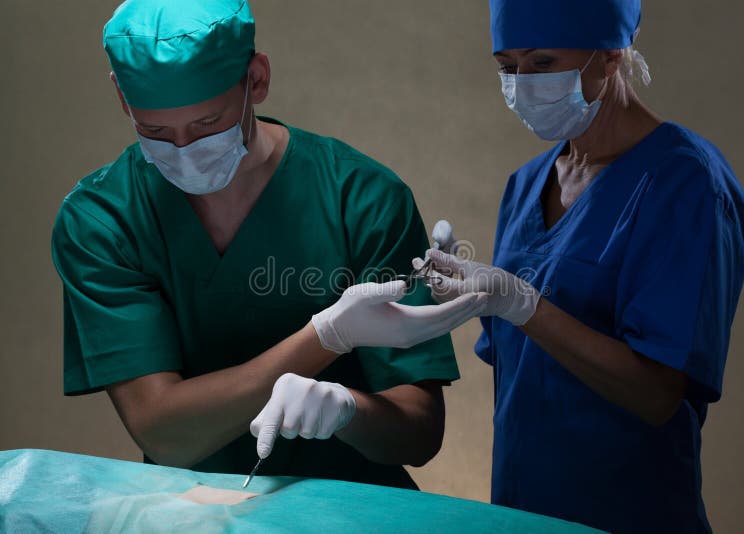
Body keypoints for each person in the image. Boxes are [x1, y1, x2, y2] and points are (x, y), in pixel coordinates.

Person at [51, 0, 487, 490]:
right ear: (122, 97)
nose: (184, 153)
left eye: (206, 124)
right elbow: (165, 434)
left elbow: (419, 433)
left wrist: (348, 411)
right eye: (155, 132)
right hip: (195, 517)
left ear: (255, 80)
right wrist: (324, 338)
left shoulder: (361, 198)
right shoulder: (103, 219)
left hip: (356, 514)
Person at [416, 0, 744, 531]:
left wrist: (521, 303)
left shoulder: (684, 183)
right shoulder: (528, 184)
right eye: (507, 68)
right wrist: (471, 298)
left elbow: (658, 394)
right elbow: (524, 365)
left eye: (543, 62)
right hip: (521, 511)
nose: (522, 83)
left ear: (611, 56)